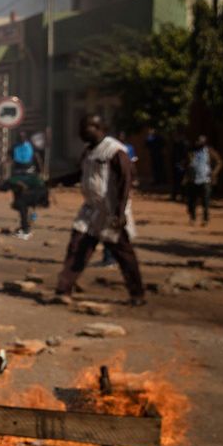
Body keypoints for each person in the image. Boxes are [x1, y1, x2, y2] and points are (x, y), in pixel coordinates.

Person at [53, 115, 144, 306]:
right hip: (90, 209)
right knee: (77, 247)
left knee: (123, 253)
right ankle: (63, 290)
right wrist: (55, 181)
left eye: (84, 128)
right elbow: (81, 174)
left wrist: (119, 213)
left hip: (111, 210)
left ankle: (137, 294)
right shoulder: (89, 151)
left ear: (98, 128)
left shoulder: (114, 151)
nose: (80, 133)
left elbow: (126, 181)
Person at [183, 135, 223, 226]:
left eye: (200, 142)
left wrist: (213, 173)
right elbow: (185, 163)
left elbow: (219, 162)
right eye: (197, 141)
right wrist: (187, 171)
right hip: (192, 180)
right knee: (192, 201)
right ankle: (192, 218)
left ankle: (205, 219)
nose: (198, 143)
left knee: (205, 201)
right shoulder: (191, 152)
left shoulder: (210, 151)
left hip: (205, 180)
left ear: (204, 143)